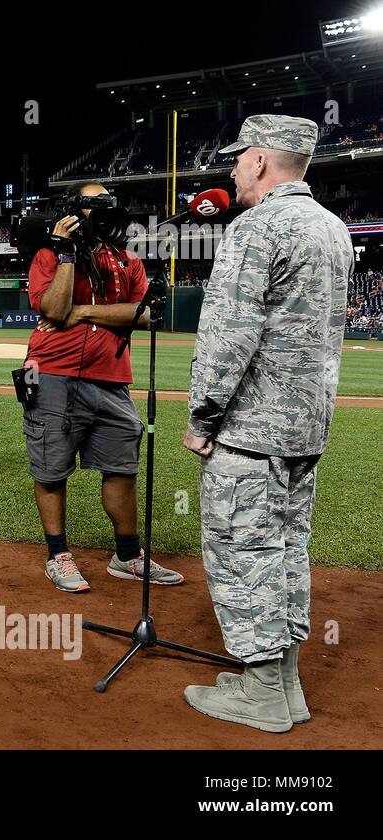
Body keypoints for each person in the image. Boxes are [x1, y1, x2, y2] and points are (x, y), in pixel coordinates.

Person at [182, 115, 352, 733]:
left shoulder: (256, 227)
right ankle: (285, 686)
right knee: (284, 553)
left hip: (252, 432)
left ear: (258, 160)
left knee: (242, 554)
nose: (230, 169)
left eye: (237, 159)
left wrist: (202, 417)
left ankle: (262, 696)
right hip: (307, 430)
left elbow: (228, 337)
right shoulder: (333, 229)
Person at [14, 183, 183, 593]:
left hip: (112, 378)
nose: (103, 212)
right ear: (74, 212)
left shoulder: (129, 260)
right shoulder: (49, 256)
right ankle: (58, 556)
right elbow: (52, 309)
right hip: (52, 373)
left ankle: (127, 556)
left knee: (122, 468)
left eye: (108, 206)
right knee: (52, 468)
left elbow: (143, 316)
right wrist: (68, 252)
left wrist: (85, 312)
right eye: (93, 207)